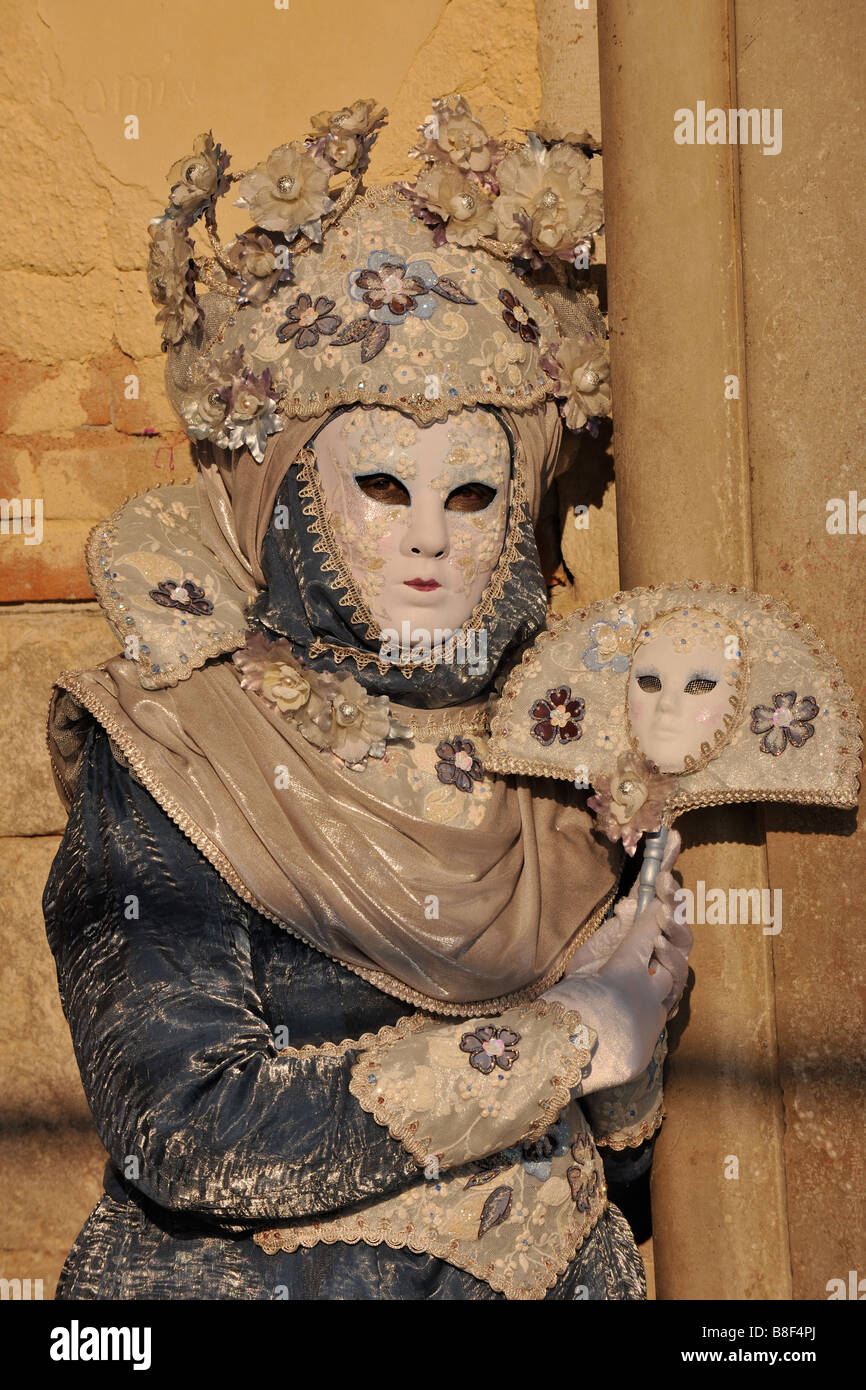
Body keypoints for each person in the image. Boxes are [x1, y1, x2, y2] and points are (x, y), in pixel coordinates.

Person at [42, 97, 692, 1300]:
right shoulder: (183, 748)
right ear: (280, 495)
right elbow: (180, 1126)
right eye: (381, 486)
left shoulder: (567, 757)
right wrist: (568, 1036)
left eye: (473, 495)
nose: (428, 545)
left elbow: (643, 1164)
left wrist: (631, 1056)